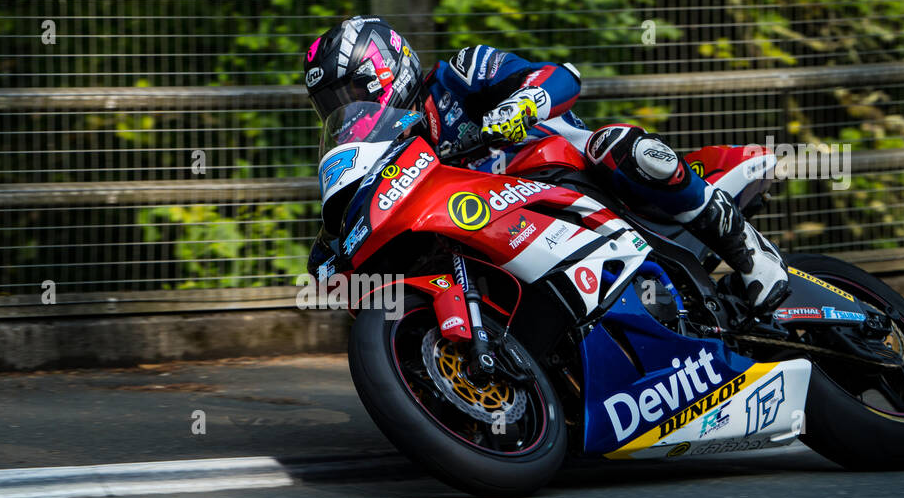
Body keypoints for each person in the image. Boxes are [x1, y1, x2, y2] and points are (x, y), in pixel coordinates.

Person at [302, 15, 790, 312]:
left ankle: (746, 248)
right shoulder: (390, 154)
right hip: (508, 234)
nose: (345, 107)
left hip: (569, 174)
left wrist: (522, 103)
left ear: (386, 67)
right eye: (332, 103)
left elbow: (562, 76)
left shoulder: (458, 75)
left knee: (620, 147)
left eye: (351, 91)